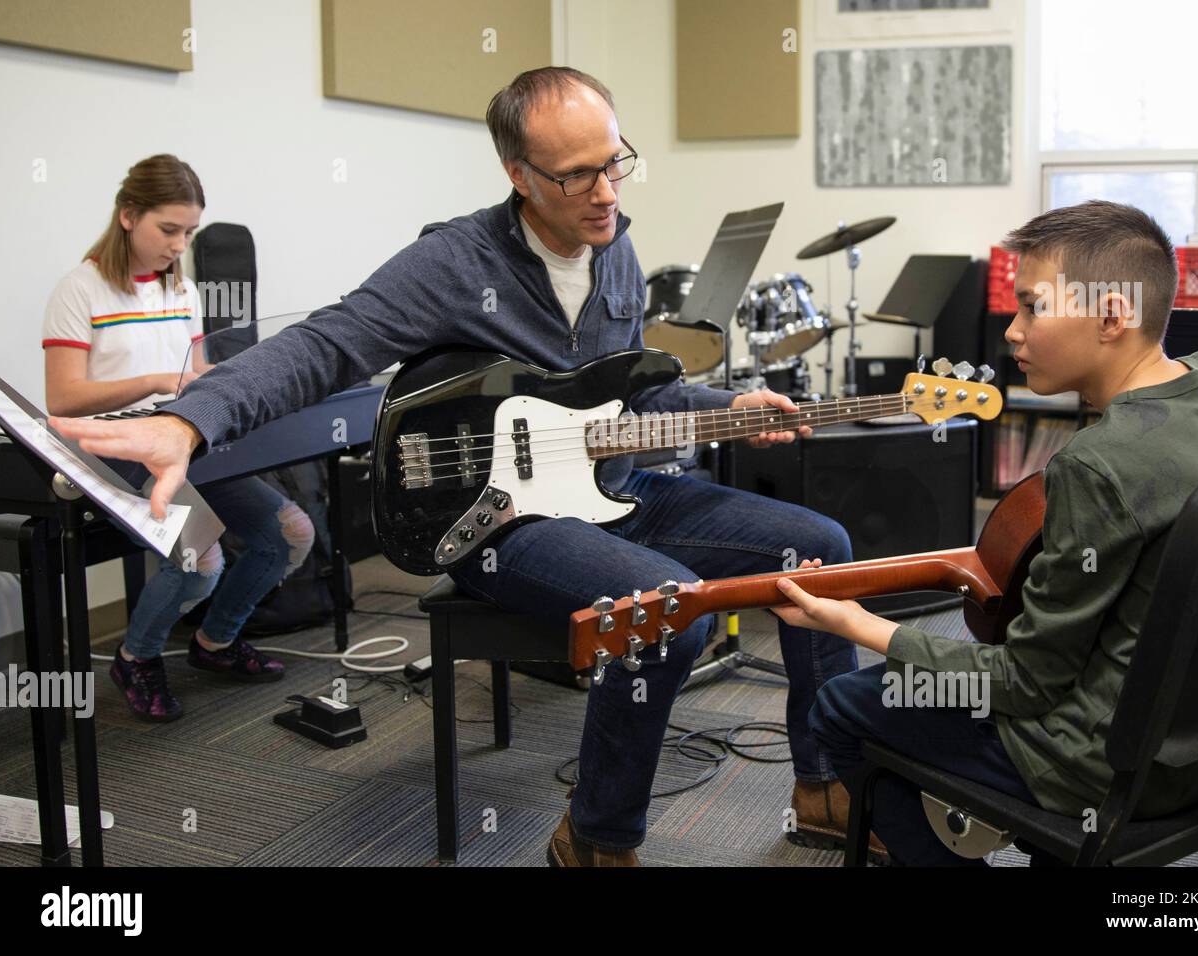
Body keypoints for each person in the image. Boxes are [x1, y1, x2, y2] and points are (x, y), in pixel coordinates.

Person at [52, 70, 863, 864]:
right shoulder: (456, 262)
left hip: (612, 489)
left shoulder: (614, 247)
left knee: (820, 548)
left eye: (615, 162)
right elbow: (326, 343)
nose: (606, 193)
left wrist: (731, 404)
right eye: (576, 175)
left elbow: (631, 393)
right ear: (519, 174)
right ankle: (596, 839)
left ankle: (823, 788)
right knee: (671, 613)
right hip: (499, 519)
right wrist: (192, 419)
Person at [773, 200, 1198, 865]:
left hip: (1104, 769)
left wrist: (857, 624)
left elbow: (1023, 684)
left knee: (843, 703)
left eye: (1033, 308)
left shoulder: (1095, 465)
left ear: (1113, 316)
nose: (1013, 332)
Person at [43, 154, 314, 722]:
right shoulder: (80, 289)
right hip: (117, 450)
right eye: (168, 229)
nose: (179, 244)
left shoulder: (183, 289)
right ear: (128, 216)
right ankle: (135, 657)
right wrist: (156, 381)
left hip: (180, 441)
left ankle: (215, 641)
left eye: (189, 232)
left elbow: (193, 372)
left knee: (290, 534)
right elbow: (63, 398)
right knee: (201, 560)